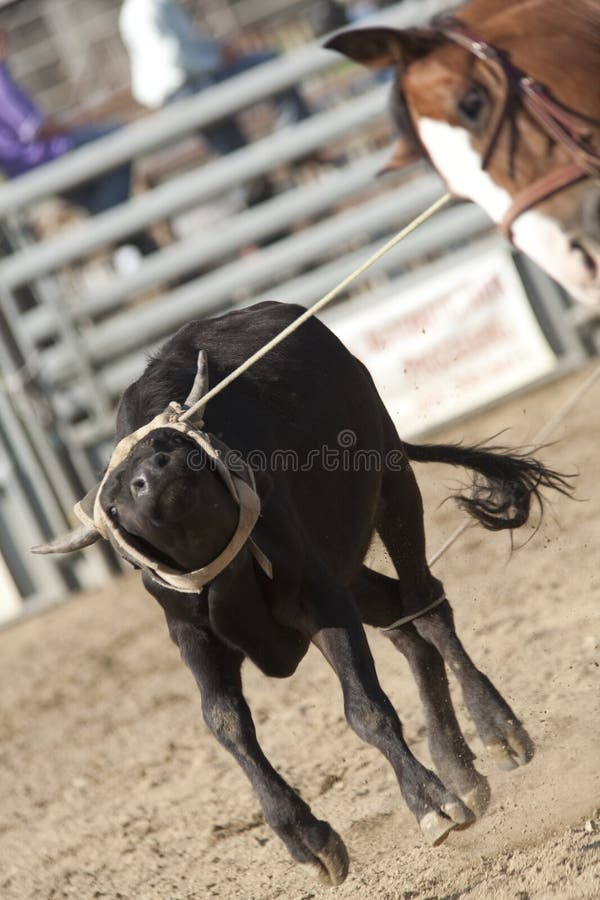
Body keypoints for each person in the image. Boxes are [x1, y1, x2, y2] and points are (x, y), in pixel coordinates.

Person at [119, 0, 312, 203]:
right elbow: (177, 55)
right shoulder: (152, 5)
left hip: (183, 88)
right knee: (269, 65)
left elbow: (185, 48)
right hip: (188, 86)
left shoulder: (137, 8)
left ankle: (257, 196)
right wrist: (217, 58)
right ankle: (297, 141)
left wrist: (215, 52)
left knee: (233, 151)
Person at [0, 29, 157, 257]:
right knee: (118, 137)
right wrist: (75, 123)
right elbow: (33, 129)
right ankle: (115, 231)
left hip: (32, 166)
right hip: (47, 156)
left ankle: (129, 247)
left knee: (97, 197)